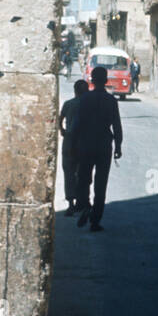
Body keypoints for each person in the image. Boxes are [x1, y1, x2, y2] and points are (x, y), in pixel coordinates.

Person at [69, 65, 123, 232]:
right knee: (101, 183)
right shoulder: (111, 101)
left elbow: (77, 124)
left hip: (86, 144)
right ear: (106, 81)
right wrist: (118, 146)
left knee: (83, 178)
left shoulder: (85, 99)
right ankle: (95, 221)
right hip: (104, 145)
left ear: (92, 80)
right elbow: (117, 126)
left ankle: (85, 206)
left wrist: (72, 144)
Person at [59, 79, 88, 215]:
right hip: (84, 141)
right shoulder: (89, 105)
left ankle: (71, 204)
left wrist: (62, 130)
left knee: (69, 172)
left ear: (75, 91)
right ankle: (83, 202)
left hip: (70, 141)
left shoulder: (68, 104)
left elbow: (60, 119)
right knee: (83, 172)